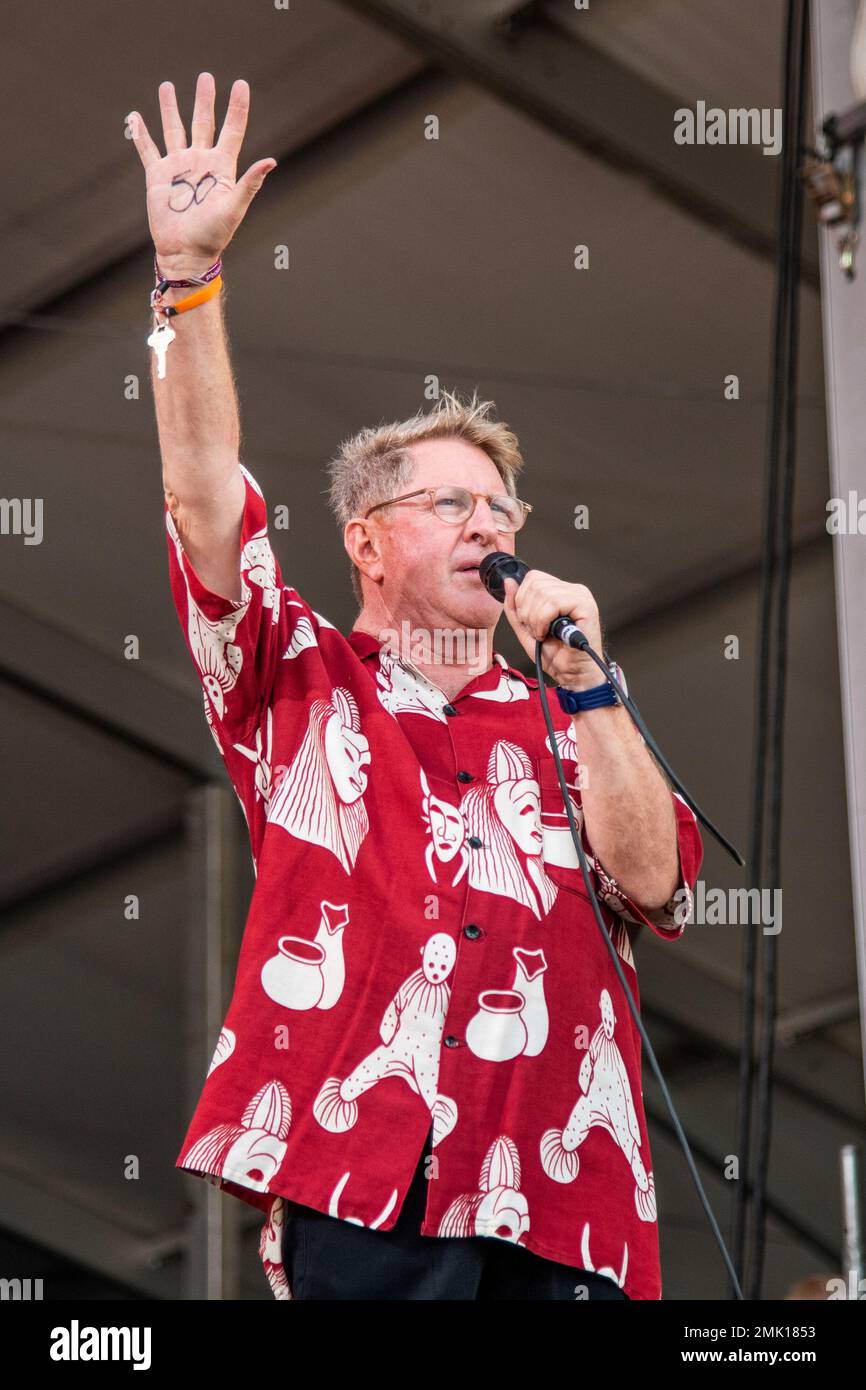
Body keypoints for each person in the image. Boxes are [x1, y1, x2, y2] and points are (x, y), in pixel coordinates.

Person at [128, 74, 703, 1302]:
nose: (487, 525)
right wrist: (188, 284)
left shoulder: (569, 714)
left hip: (566, 1205)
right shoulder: (297, 678)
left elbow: (655, 881)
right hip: (362, 1180)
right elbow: (200, 494)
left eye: (503, 508)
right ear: (368, 540)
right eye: (450, 503)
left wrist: (592, 693)